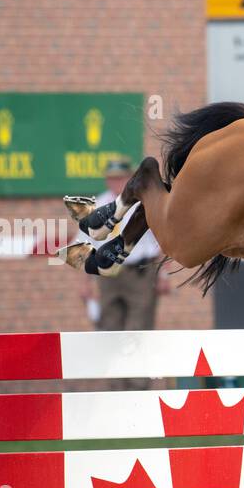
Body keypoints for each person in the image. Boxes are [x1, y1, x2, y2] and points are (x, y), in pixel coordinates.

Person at [77, 157, 171, 389]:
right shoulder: (98, 205)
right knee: (110, 327)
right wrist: (85, 283)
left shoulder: (141, 204)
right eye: (112, 179)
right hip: (109, 275)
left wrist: (163, 274)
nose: (116, 183)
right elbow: (82, 245)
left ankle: (138, 383)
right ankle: (117, 384)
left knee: (138, 326)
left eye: (120, 178)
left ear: (129, 179)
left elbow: (162, 241)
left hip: (140, 273)